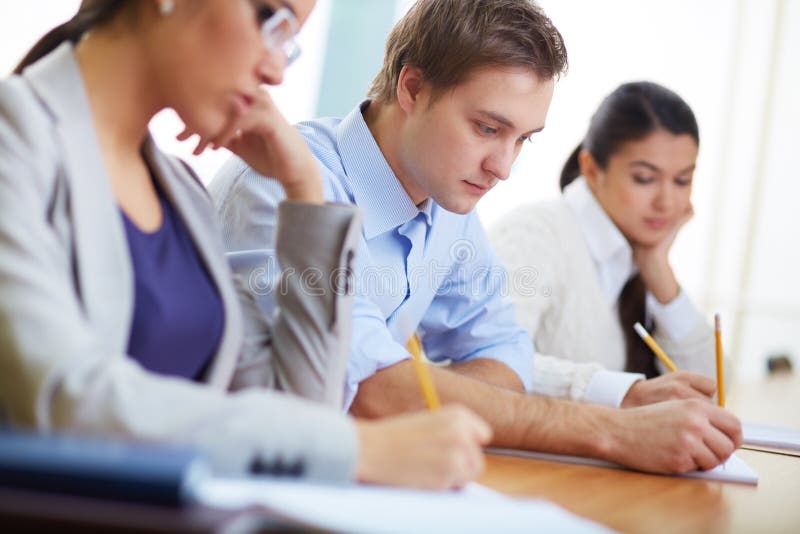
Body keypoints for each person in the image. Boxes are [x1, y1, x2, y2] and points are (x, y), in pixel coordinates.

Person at [210, 0, 742, 474]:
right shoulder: (283, 182)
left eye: (523, 140)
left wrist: (408, 392)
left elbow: (506, 355)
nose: (502, 167)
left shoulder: (447, 204)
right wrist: (609, 430)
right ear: (412, 88)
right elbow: (369, 391)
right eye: (488, 128)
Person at [0, 0, 492, 490]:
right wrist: (358, 448)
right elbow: (64, 398)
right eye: (269, 20)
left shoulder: (180, 193)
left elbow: (298, 411)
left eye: (289, 42)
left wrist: (304, 192)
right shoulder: (15, 138)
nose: (275, 71)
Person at [489, 81, 720, 408]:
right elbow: (488, 365)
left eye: (682, 180)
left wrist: (658, 268)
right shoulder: (534, 234)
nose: (667, 202)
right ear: (592, 170)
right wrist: (626, 394)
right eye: (645, 178)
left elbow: (710, 391)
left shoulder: (634, 255)